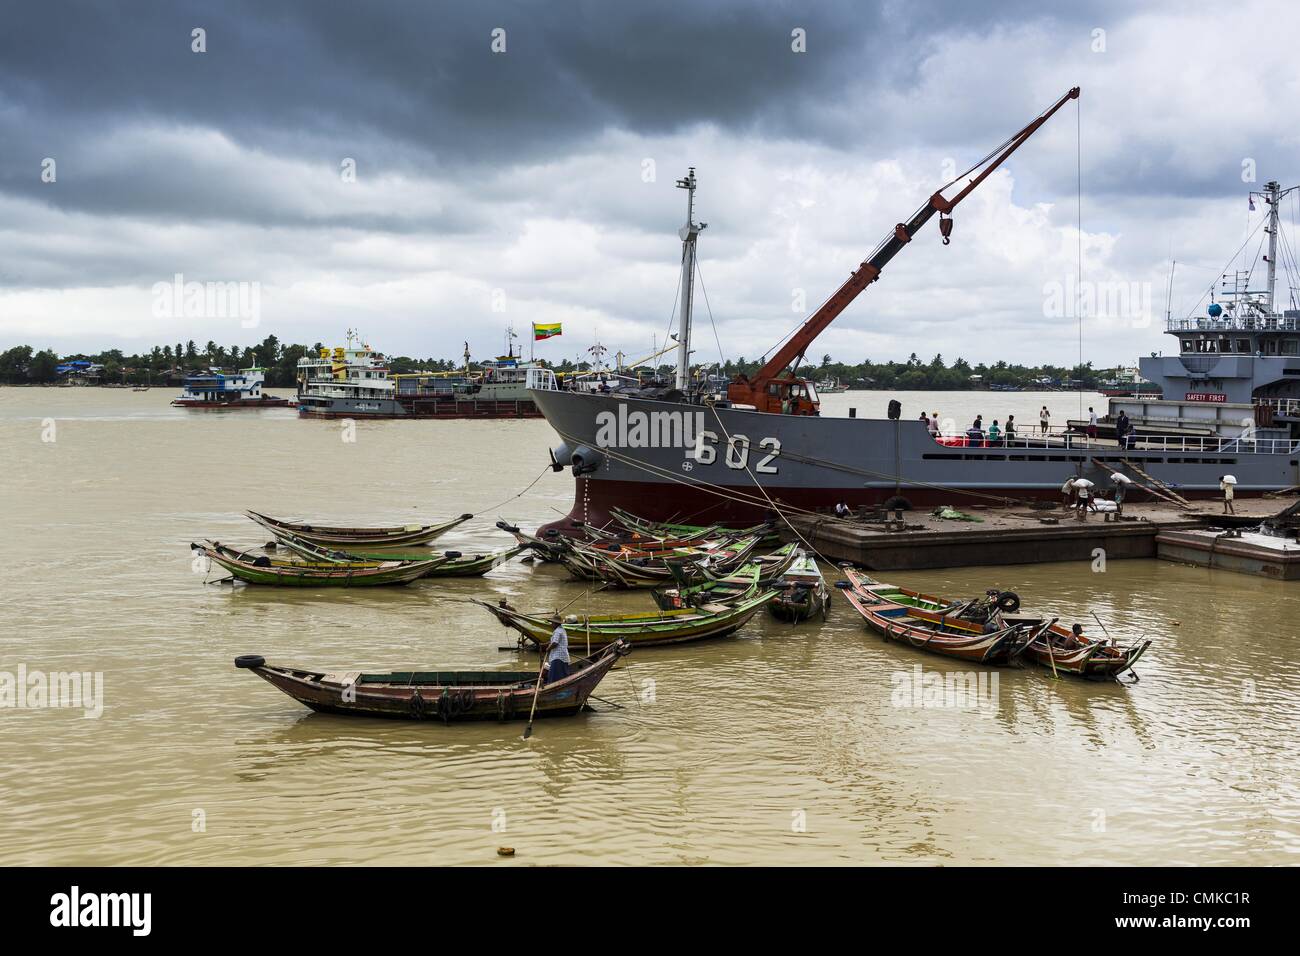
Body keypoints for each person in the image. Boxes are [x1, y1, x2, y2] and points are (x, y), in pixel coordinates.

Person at [545, 615, 574, 683]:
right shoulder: (562, 629)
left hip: (558, 657)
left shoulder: (558, 631)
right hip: (563, 656)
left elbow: (555, 643)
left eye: (552, 623)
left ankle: (551, 687)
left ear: (555, 624)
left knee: (553, 676)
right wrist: (546, 644)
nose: (551, 625)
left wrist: (548, 649)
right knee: (562, 675)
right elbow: (554, 640)